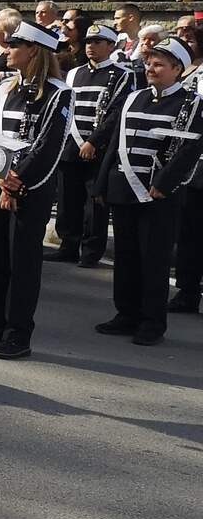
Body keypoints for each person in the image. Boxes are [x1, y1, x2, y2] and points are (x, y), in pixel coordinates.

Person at [0, 22, 70, 359]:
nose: (6, 51)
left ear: (33, 50)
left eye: (13, 46)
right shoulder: (6, 88)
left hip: (30, 188)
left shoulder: (59, 93)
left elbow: (49, 146)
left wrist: (16, 180)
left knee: (22, 262)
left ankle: (18, 333)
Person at [90, 38, 202, 347]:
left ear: (177, 69)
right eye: (149, 63)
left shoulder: (192, 103)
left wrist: (163, 185)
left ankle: (152, 321)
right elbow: (115, 143)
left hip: (158, 195)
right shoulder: (133, 98)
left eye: (159, 64)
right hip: (124, 188)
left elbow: (189, 149)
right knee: (126, 256)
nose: (150, 69)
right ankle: (126, 314)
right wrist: (101, 184)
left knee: (152, 259)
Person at [52, 24, 136, 268]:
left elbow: (115, 112)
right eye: (89, 41)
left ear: (111, 46)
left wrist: (93, 141)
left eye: (98, 42)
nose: (91, 46)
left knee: (94, 203)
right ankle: (68, 245)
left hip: (98, 148)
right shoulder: (74, 73)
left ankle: (90, 251)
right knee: (68, 200)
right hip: (71, 144)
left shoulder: (123, 74)